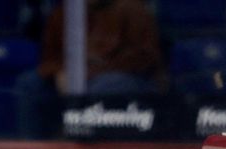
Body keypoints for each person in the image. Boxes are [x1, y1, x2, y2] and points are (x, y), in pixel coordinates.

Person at [18, 0, 166, 139]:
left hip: (127, 79)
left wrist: (88, 74)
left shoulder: (132, 8)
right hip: (75, 77)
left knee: (101, 87)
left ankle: (84, 142)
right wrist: (58, 72)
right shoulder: (66, 11)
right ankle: (33, 146)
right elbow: (49, 56)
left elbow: (143, 58)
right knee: (30, 84)